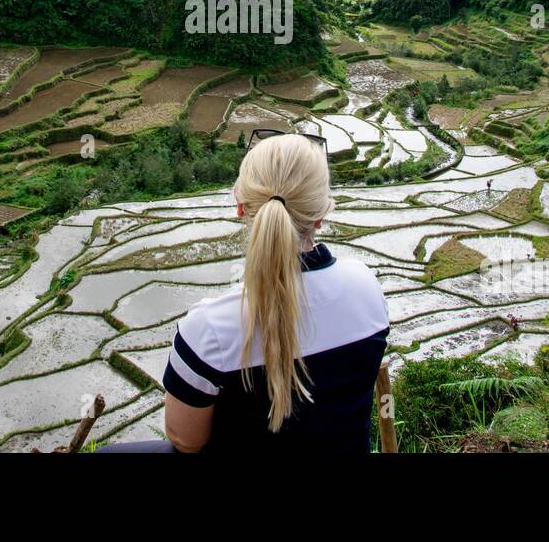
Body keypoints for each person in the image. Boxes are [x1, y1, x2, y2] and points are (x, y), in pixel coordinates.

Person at [98, 132, 390, 453]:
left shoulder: (209, 329)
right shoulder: (367, 292)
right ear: (320, 214)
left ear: (241, 208)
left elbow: (186, 439)